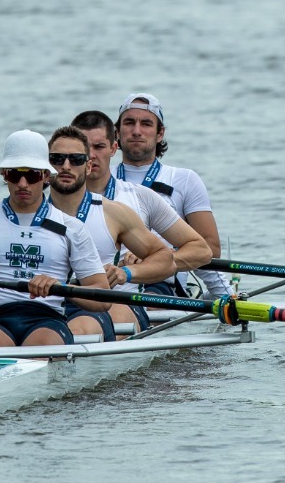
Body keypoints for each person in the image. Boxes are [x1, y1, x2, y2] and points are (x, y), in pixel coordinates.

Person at [0, 130, 112, 348]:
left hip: (48, 320)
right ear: (5, 175)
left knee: (41, 346)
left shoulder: (71, 228)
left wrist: (60, 287)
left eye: (32, 175)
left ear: (45, 176)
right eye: (15, 175)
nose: (23, 184)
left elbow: (103, 299)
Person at [44, 125, 202, 339]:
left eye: (76, 159)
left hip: (112, 303)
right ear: (45, 167)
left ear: (88, 165)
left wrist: (125, 273)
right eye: (57, 158)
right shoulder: (28, 214)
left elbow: (173, 258)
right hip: (49, 305)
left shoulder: (118, 210)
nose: (65, 166)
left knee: (79, 329)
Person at [66, 110, 213, 297]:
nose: (91, 155)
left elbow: (202, 251)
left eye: (99, 147)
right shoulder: (55, 200)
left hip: (135, 299)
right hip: (74, 297)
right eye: (84, 149)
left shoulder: (140, 196)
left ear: (113, 148)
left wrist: (149, 262)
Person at [109, 94, 230, 297]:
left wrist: (154, 261)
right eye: (129, 123)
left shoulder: (184, 179)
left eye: (146, 124)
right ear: (117, 133)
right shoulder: (101, 177)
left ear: (160, 134)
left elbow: (211, 249)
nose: (137, 131)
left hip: (161, 284)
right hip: (107, 279)